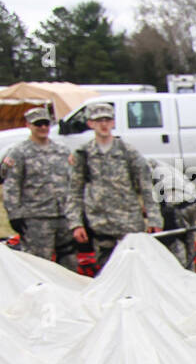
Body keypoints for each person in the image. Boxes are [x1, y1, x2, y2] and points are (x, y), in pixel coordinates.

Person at [66, 102, 161, 271]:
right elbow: (74, 190)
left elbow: (146, 186)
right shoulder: (83, 153)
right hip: (100, 223)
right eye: (98, 120)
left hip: (129, 222)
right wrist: (76, 223)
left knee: (136, 267)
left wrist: (154, 217)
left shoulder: (128, 151)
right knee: (108, 270)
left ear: (113, 122)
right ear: (90, 124)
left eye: (107, 120)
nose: (103, 124)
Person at [0, 106, 78, 271]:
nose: (43, 128)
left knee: (69, 266)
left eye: (46, 124)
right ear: (29, 125)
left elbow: (73, 182)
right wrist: (15, 216)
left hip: (64, 217)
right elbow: (11, 187)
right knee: (38, 266)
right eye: (38, 124)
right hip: (36, 219)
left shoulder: (62, 151)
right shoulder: (19, 153)